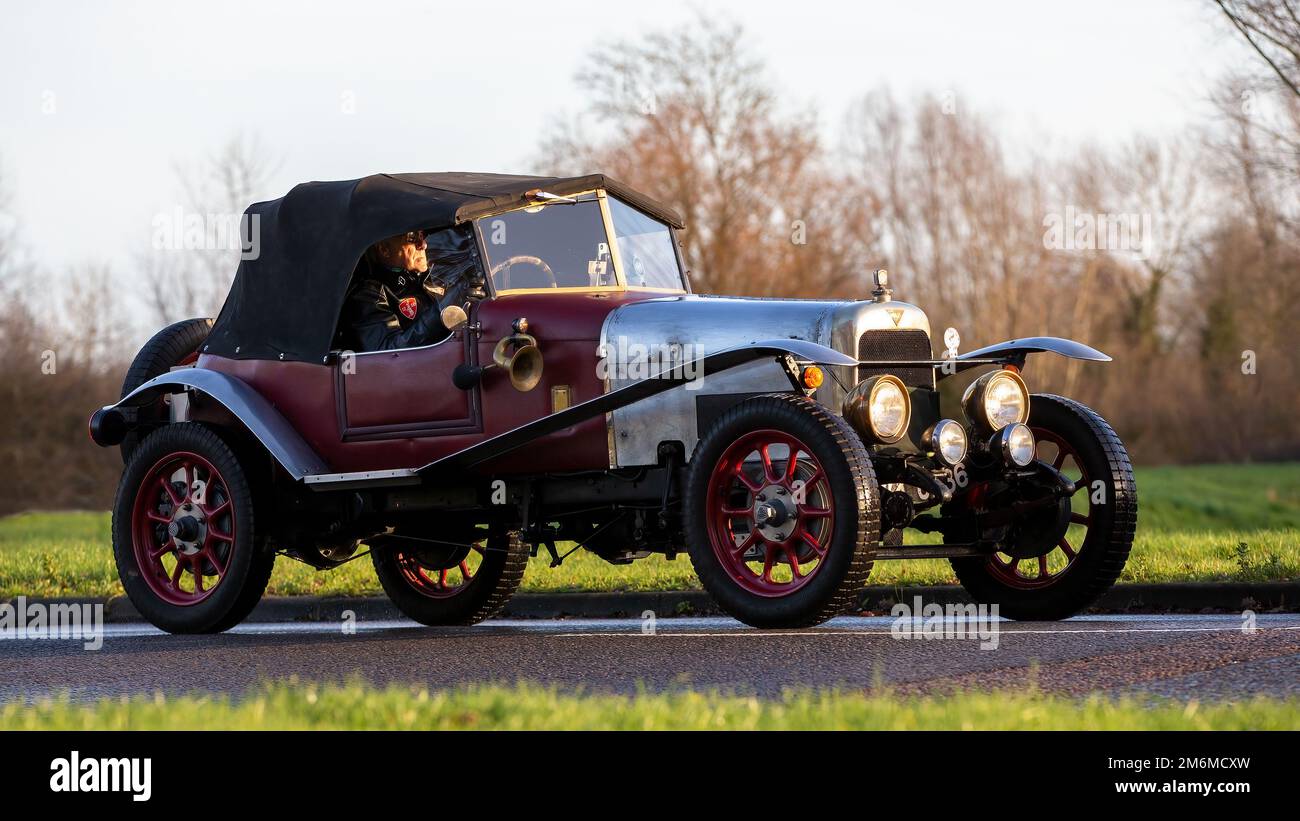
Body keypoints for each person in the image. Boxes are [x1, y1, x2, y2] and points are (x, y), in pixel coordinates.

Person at [339, 230, 451, 351]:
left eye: (421, 235)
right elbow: (388, 351)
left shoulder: (433, 273)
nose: (423, 244)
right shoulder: (368, 295)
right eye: (412, 238)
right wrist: (439, 314)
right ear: (384, 250)